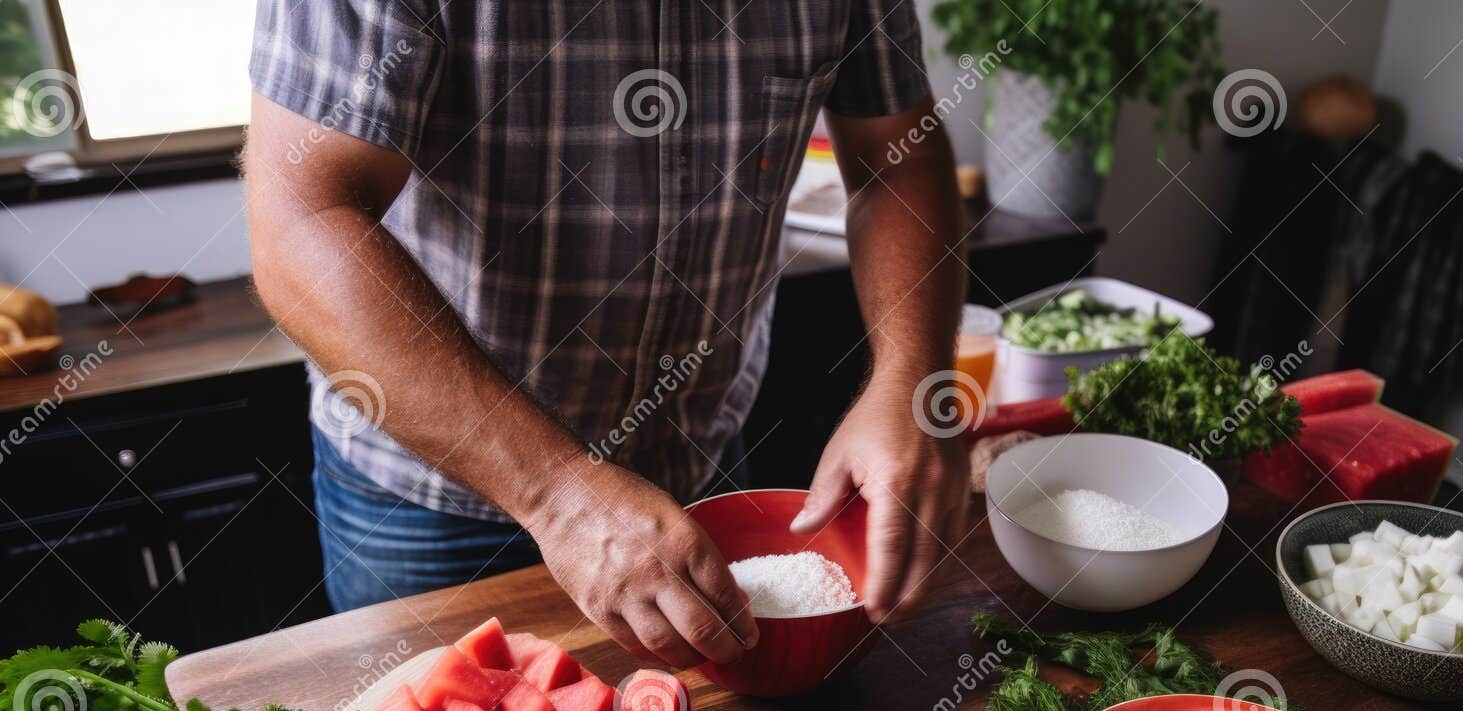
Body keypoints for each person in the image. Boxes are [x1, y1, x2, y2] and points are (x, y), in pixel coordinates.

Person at [245, 2, 969, 671]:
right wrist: (560, 496)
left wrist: (909, 378)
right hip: (437, 504)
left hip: (701, 456)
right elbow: (300, 218)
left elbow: (896, 159)